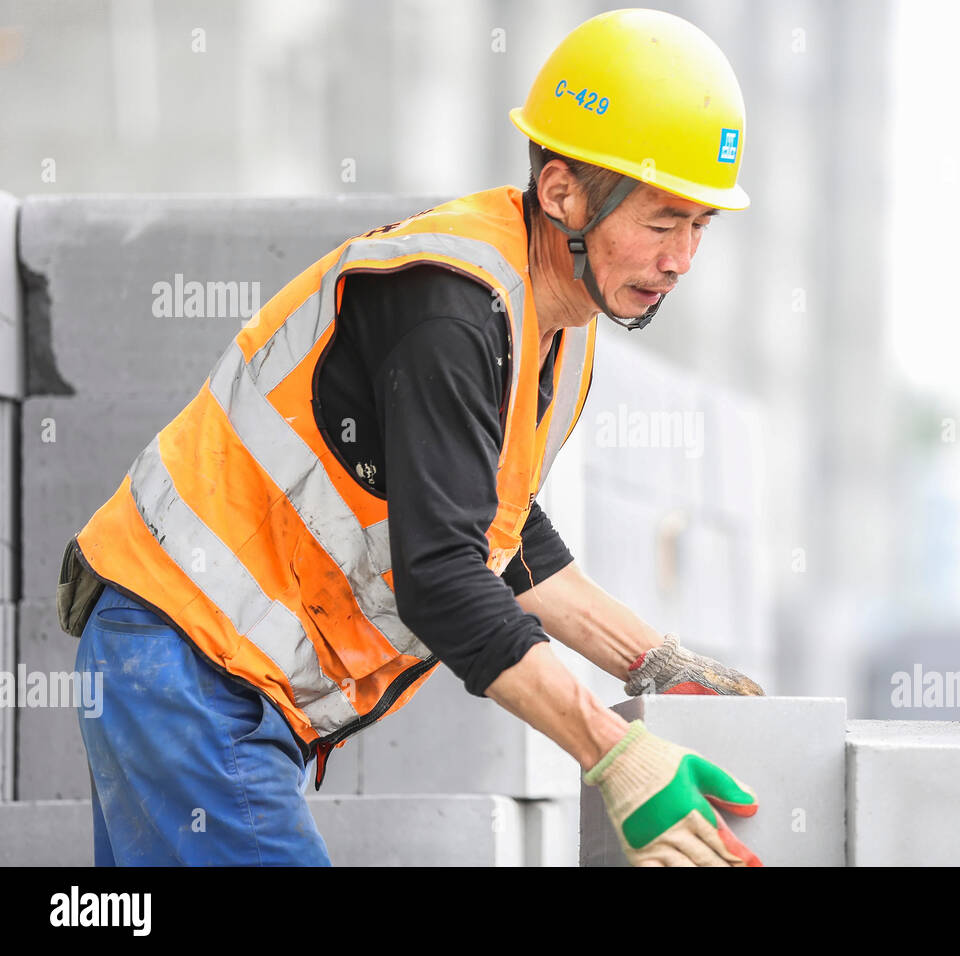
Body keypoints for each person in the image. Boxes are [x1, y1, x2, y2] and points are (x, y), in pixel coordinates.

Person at [55, 7, 764, 868]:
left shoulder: (556, 324)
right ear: (563, 192)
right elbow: (440, 579)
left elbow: (499, 532)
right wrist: (612, 754)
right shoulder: (451, 309)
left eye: (701, 226)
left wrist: (649, 661)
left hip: (190, 662)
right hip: (185, 654)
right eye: (662, 222)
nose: (683, 258)